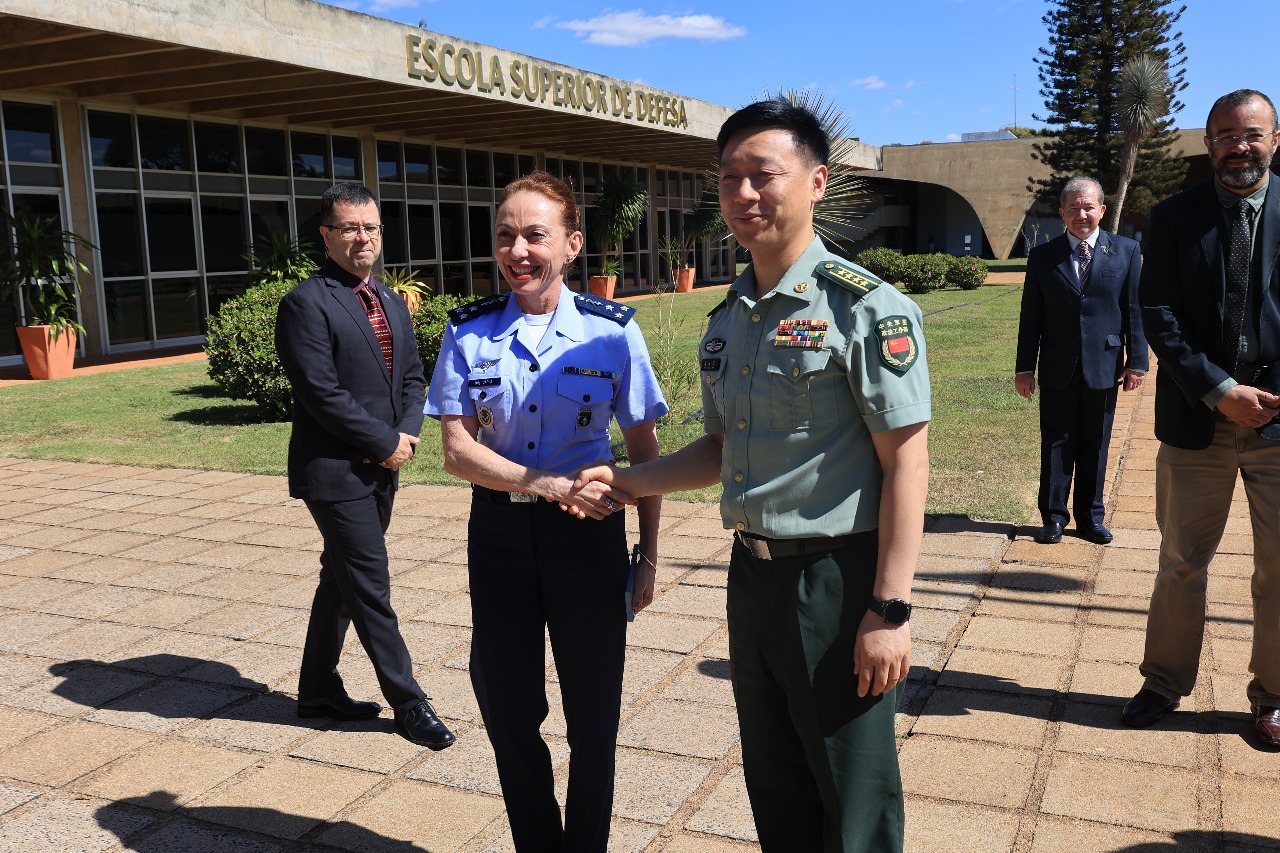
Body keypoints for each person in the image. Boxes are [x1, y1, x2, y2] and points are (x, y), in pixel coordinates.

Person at [575, 100, 931, 852]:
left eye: (763, 175)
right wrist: (627, 482)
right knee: (775, 780)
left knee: (853, 789)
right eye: (729, 177)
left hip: (837, 579)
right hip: (753, 578)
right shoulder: (729, 318)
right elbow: (718, 447)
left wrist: (890, 609)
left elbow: (906, 460)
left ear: (816, 182)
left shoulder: (865, 308)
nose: (744, 194)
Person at [425, 171, 666, 852]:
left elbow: (646, 451)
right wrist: (551, 485)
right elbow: (455, 450)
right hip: (499, 535)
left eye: (535, 234)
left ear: (571, 244)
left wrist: (647, 556)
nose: (518, 249)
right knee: (507, 706)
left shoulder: (612, 332)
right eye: (506, 235)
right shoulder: (468, 332)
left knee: (594, 713)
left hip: (588, 541)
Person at [1124, 88, 1280, 749]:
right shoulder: (1173, 218)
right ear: (1207, 142)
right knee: (1180, 561)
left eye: (1251, 134)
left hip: (1279, 424)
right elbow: (1158, 312)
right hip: (1198, 422)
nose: (1238, 147)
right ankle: (1163, 681)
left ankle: (1274, 697)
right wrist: (1218, 389)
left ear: (1275, 139)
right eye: (1224, 135)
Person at [276, 182, 455, 750]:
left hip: (384, 463)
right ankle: (408, 702)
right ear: (326, 235)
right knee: (370, 585)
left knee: (343, 577)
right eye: (351, 228)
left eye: (372, 227)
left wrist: (405, 434)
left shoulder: (390, 299)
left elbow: (412, 377)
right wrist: (383, 441)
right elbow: (321, 394)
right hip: (334, 472)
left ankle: (316, 689)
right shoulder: (306, 302)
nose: (364, 238)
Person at [1015, 176, 1147, 545]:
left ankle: (1091, 518)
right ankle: (1053, 517)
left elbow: (1134, 309)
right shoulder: (1044, 256)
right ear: (1062, 213)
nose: (1081, 214)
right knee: (1056, 443)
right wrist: (1024, 367)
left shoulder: (1126, 252)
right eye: (1073, 208)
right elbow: (1031, 317)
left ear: (1102, 210)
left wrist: (1137, 361)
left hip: (1105, 365)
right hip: (1057, 365)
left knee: (1096, 443)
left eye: (1088, 207)